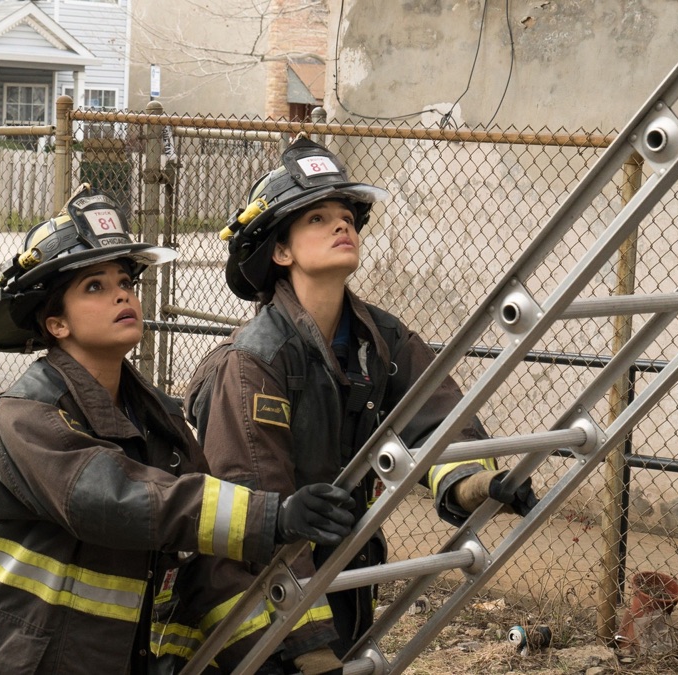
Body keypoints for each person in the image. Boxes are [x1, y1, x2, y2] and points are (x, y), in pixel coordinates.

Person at [0, 185, 362, 675]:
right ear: (56, 324)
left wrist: (285, 651)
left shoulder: (159, 426)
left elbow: (202, 562)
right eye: (94, 287)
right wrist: (269, 517)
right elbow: (108, 498)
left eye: (125, 280)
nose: (123, 293)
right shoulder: (21, 416)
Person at [184, 136, 538, 674]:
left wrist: (477, 484)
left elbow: (436, 423)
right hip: (261, 612)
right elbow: (254, 513)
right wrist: (312, 650)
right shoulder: (251, 363)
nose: (341, 225)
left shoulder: (383, 342)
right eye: (317, 218)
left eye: (347, 215)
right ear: (281, 252)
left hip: (344, 579)